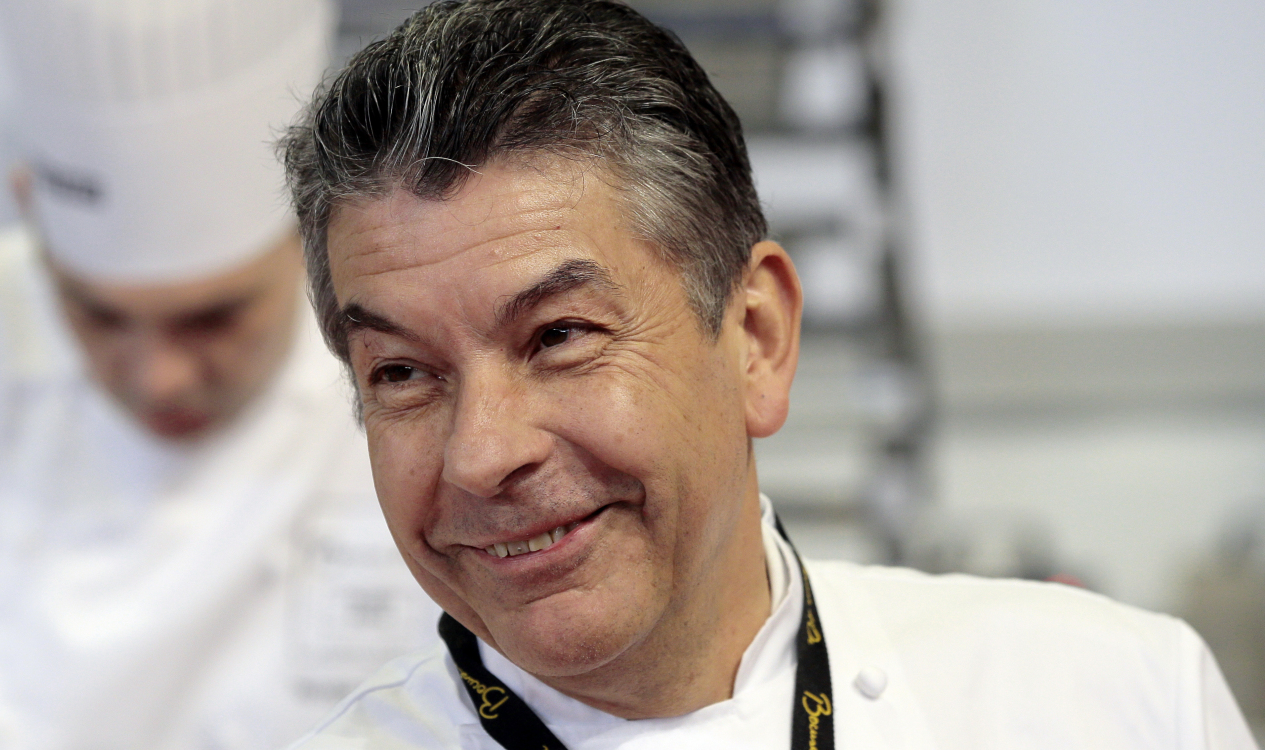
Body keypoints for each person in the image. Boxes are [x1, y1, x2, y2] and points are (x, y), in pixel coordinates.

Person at [274, 1, 1260, 747]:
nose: (481, 453)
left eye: (559, 336)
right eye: (402, 372)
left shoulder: (1107, 704)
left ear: (756, 337)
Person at [0, 0, 434, 747]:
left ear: (311, 233)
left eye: (212, 318)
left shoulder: (415, 360)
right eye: (97, 315)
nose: (158, 379)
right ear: (28, 213)